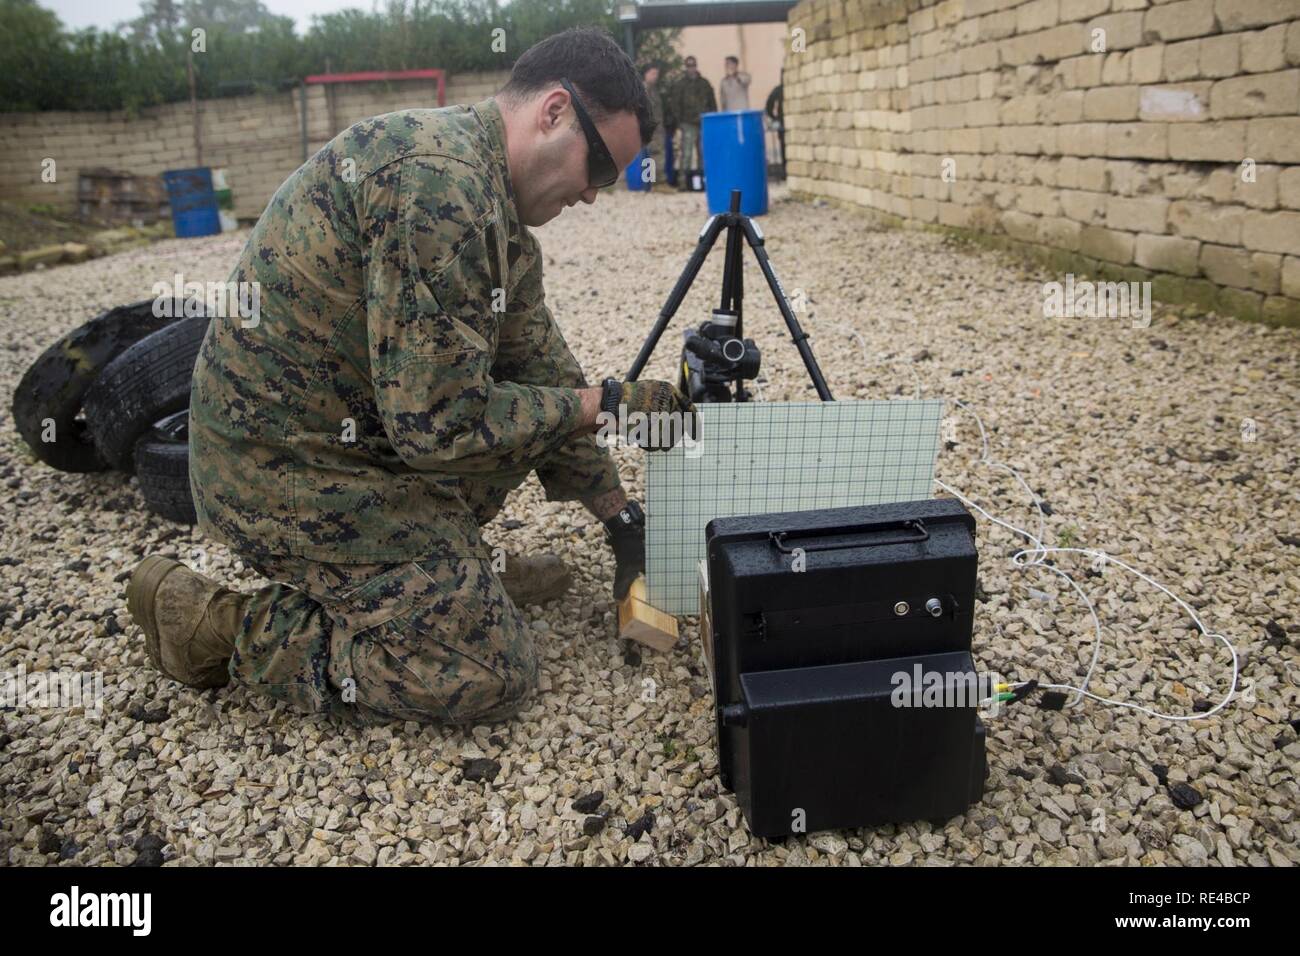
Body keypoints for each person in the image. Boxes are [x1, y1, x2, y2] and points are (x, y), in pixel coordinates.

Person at [125, 28, 695, 727]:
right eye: (600, 168)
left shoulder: (497, 217)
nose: (592, 196)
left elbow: (544, 373)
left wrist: (620, 519)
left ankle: (434, 580)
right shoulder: (439, 188)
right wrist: (605, 404)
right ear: (553, 111)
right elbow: (442, 426)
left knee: (533, 418)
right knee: (485, 672)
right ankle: (216, 624)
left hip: (355, 442)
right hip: (278, 468)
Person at [669, 55, 716, 190]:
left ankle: (705, 181)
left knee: (704, 153)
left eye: (693, 65)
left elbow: (712, 103)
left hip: (704, 122)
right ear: (686, 67)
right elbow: (675, 105)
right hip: (687, 123)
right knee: (687, 153)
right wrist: (680, 122)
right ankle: (683, 182)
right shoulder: (680, 84)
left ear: (696, 66)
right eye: (689, 66)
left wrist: (711, 119)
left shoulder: (704, 83)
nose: (691, 68)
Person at [642, 64, 665, 189]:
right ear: (646, 74)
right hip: (651, 128)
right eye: (653, 74)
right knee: (655, 154)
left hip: (657, 127)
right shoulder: (644, 90)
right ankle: (657, 183)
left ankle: (651, 183)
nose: (655, 77)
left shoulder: (654, 89)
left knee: (653, 154)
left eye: (656, 74)